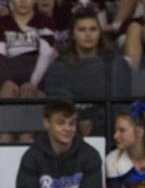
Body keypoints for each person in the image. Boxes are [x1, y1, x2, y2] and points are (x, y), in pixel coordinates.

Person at [40, 10, 133, 138]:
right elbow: (58, 107)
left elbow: (120, 106)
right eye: (82, 30)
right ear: (72, 34)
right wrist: (77, 123)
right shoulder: (59, 67)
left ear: (100, 33)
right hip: (69, 134)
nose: (88, 34)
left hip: (112, 133)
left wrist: (95, 122)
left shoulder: (115, 64)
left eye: (93, 29)